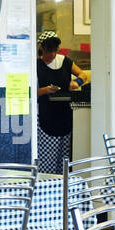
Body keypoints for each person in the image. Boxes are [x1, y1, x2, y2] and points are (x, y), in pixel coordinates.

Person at [35, 31, 86, 175]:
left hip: (65, 116)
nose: (52, 55)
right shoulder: (36, 65)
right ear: (41, 48)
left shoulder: (64, 61)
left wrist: (77, 82)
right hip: (45, 117)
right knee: (47, 160)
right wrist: (44, 90)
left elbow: (82, 75)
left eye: (54, 51)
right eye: (48, 51)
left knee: (65, 160)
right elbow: (30, 93)